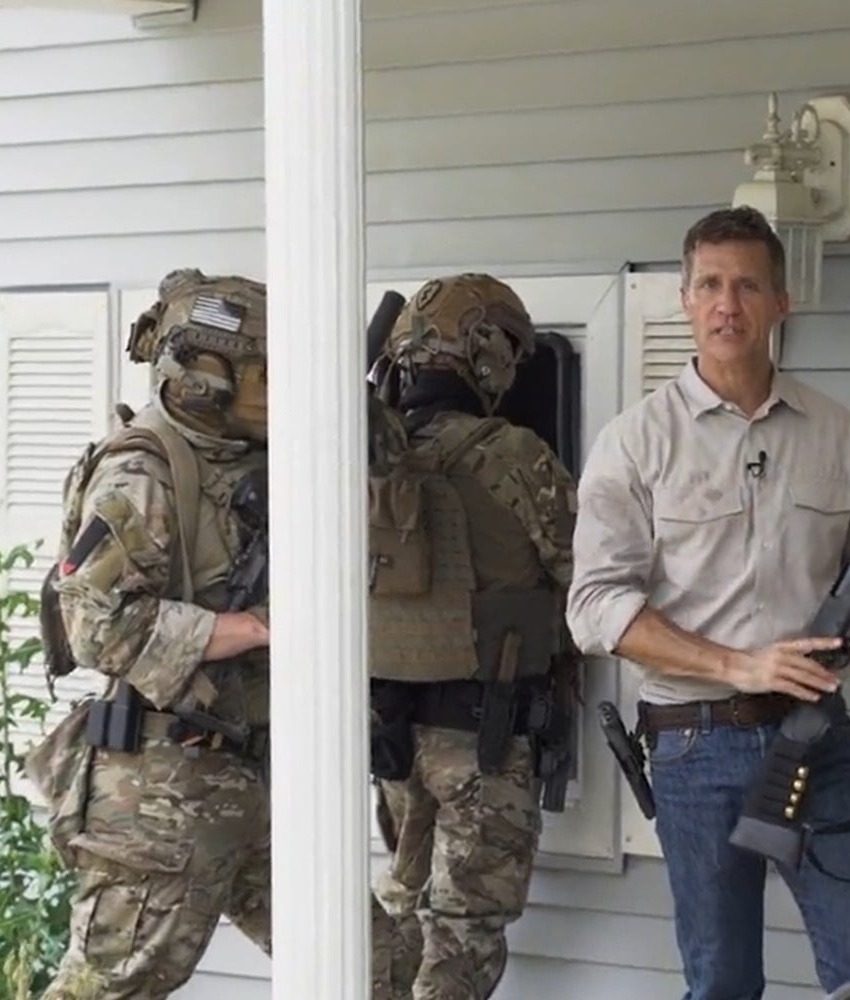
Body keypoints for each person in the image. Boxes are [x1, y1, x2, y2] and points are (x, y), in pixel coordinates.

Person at [566, 206, 850, 999]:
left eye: (747, 285)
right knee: (723, 984)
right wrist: (739, 663)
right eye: (709, 285)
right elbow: (595, 607)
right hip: (695, 747)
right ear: (686, 300)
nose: (727, 304)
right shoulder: (635, 442)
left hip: (819, 737)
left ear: (780, 302)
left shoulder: (835, 432)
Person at [26, 269, 275, 999]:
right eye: (265, 370)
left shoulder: (248, 461)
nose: (278, 387)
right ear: (206, 375)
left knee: (376, 968)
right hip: (161, 796)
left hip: (251, 777)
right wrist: (251, 629)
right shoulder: (142, 468)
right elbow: (98, 625)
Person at [361, 273, 579, 1000]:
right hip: (483, 739)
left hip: (390, 735)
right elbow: (589, 575)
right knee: (463, 935)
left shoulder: (362, 460)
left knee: (399, 919)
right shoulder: (512, 455)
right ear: (486, 357)